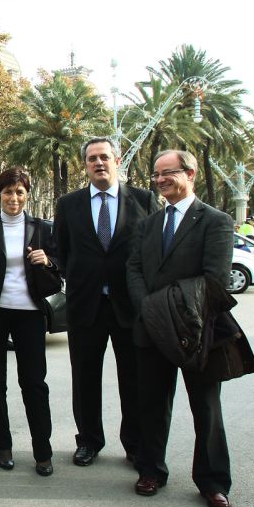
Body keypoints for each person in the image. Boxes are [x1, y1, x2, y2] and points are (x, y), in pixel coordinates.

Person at [128, 149, 236, 507]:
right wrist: (149, 307)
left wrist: (169, 308)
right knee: (152, 405)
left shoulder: (215, 221)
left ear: (190, 173)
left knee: (205, 408)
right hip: (152, 330)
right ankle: (151, 470)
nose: (159, 180)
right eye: (155, 175)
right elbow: (134, 269)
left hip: (197, 330)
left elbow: (216, 280)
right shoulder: (148, 224)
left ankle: (213, 482)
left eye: (167, 173)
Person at [54, 137, 160, 468]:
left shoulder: (144, 200)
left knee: (134, 378)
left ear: (117, 159)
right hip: (85, 307)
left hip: (130, 307)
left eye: (104, 157)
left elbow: (152, 252)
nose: (98, 163)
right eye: (91, 159)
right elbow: (62, 250)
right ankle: (88, 440)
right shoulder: (68, 204)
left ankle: (134, 443)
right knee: (84, 379)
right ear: (84, 165)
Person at [0, 167, 59, 477]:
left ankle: (43, 450)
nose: (14, 197)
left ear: (28, 194)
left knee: (34, 383)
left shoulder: (41, 228)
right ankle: (2, 446)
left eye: (19, 192)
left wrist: (47, 261)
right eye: (8, 192)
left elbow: (60, 265)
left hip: (29, 313)